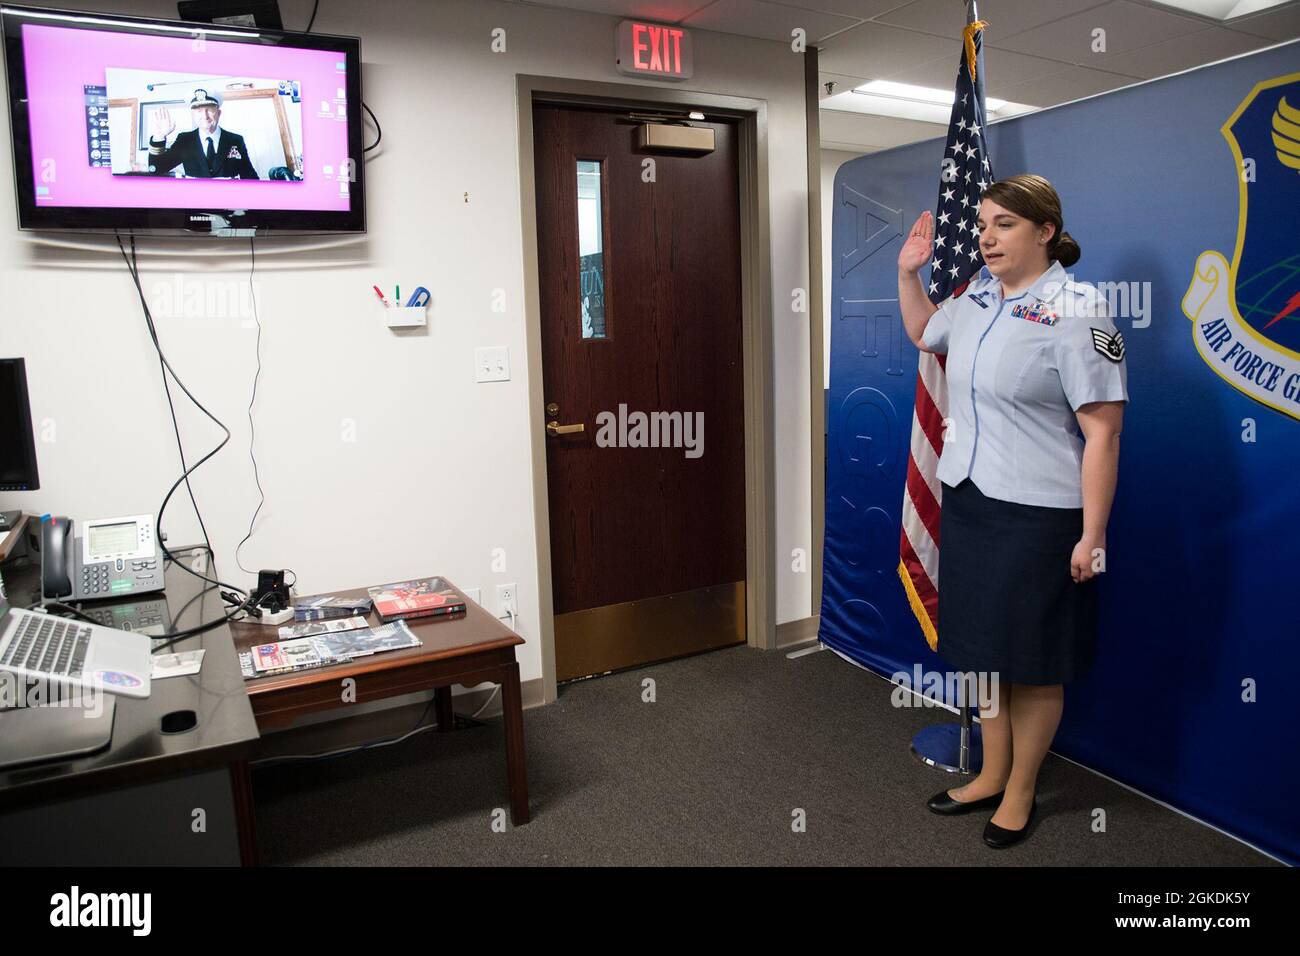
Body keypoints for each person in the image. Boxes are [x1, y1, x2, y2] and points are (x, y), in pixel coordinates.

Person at [897, 173, 1128, 849]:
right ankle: (991, 773)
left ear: (1045, 232)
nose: (987, 237)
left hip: (1038, 517)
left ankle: (1021, 789)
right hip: (970, 503)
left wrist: (1093, 535)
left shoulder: (1078, 310)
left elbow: (1103, 434)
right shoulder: (974, 298)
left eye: (1004, 225)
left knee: (1031, 663)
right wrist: (909, 273)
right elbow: (923, 335)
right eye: (983, 224)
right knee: (981, 656)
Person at [146, 89, 259, 179]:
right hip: (196, 205)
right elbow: (156, 169)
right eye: (199, 111)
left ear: (218, 113)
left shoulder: (235, 140)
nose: (204, 116)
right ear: (193, 115)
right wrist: (159, 137)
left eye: (209, 110)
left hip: (229, 205)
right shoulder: (185, 140)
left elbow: (249, 176)